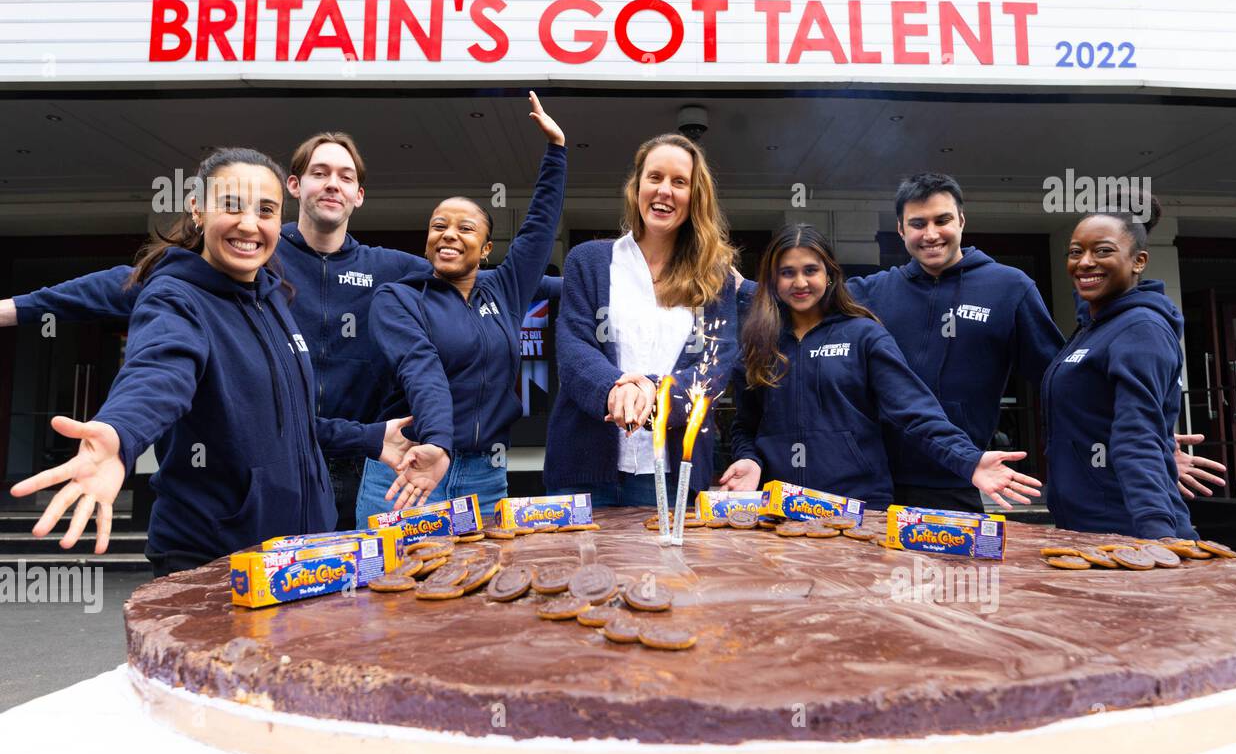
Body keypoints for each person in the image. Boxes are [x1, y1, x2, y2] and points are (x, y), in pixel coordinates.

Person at [0, 132, 562, 529]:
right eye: (319, 172)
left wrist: (584, 291)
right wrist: (19, 308)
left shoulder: (396, 270)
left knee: (364, 611)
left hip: (373, 459)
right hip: (277, 471)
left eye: (346, 176)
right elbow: (141, 302)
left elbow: (483, 283)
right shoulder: (254, 260)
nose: (332, 184)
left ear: (359, 195)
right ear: (297, 186)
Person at [7, 148, 419, 574]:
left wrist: (369, 438)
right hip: (216, 558)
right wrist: (121, 432)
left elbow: (288, 425)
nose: (248, 223)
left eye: (265, 210)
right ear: (197, 209)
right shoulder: (177, 299)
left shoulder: (274, 297)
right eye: (231, 205)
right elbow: (160, 373)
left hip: (300, 550)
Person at [832, 172, 1223, 509]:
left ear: (962, 221)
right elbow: (788, 296)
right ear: (901, 230)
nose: (931, 234)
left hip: (957, 479)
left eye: (942, 220)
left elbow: (1063, 381)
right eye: (918, 224)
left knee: (950, 594)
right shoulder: (872, 293)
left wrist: (1148, 432)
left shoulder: (1009, 287)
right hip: (871, 481)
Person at [719, 224, 1041, 510]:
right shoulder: (758, 345)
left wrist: (969, 461)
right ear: (773, 280)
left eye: (810, 270)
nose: (800, 282)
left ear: (829, 274)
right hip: (778, 506)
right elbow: (746, 427)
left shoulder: (863, 334)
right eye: (787, 272)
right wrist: (749, 459)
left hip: (858, 507)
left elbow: (914, 411)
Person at [357, 93, 567, 520]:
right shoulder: (397, 298)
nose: (449, 234)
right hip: (410, 469)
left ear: (486, 247)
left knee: (483, 584)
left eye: (465, 228)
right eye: (439, 226)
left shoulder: (505, 291)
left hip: (484, 478)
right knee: (390, 586)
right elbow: (421, 370)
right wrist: (437, 442)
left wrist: (557, 153)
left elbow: (539, 230)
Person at [544, 133, 739, 506]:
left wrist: (654, 391)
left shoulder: (716, 278)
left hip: (668, 473)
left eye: (679, 182)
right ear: (637, 188)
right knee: (580, 566)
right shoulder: (589, 261)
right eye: (655, 177)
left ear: (695, 196)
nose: (665, 190)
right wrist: (617, 389)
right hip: (581, 469)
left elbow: (714, 367)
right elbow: (573, 348)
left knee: (665, 567)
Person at [1041, 208, 1195, 539]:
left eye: (1103, 251)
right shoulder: (1094, 326)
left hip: (1129, 531)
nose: (1084, 262)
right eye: (1075, 251)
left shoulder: (1141, 329)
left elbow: (1136, 437)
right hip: (1086, 526)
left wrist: (1159, 536)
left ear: (1139, 261)